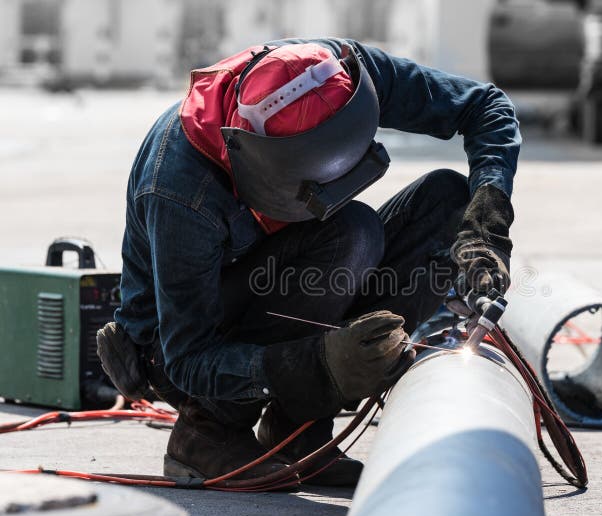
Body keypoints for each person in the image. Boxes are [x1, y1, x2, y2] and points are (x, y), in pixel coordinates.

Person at [97, 38, 520, 487]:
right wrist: (315, 365)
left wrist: (486, 227)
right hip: (178, 348)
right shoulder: (181, 191)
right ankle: (208, 434)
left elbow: (487, 107)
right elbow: (188, 357)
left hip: (279, 279)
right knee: (351, 234)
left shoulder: (336, 76)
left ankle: (297, 429)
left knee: (449, 204)